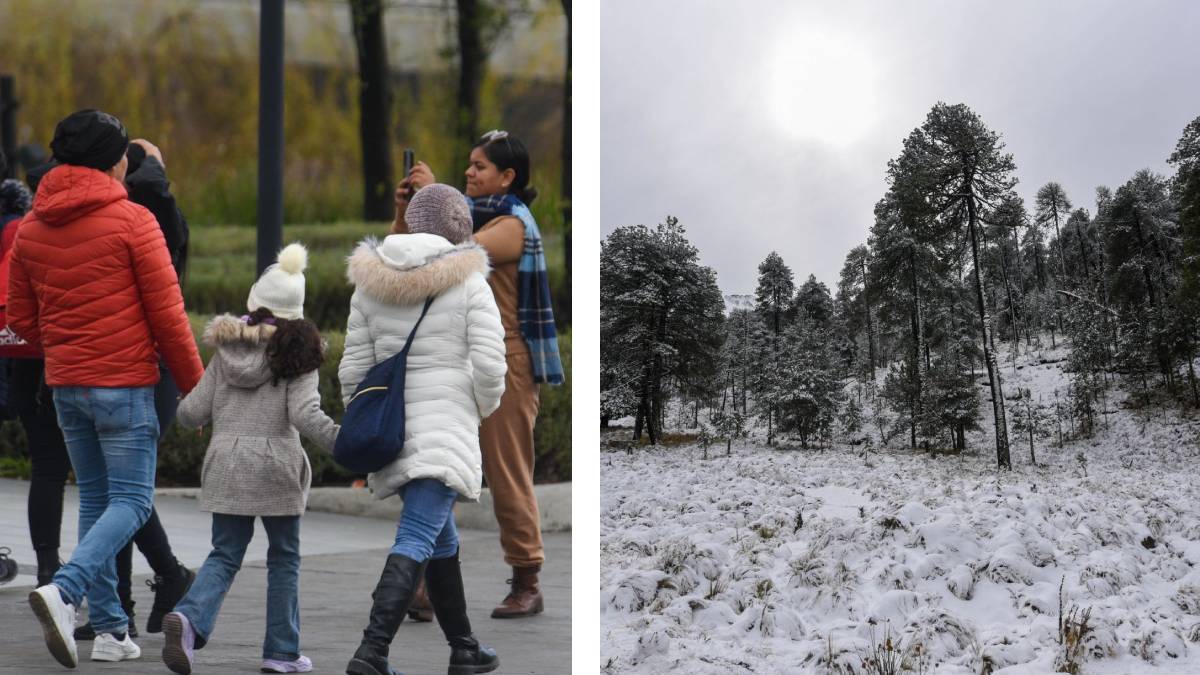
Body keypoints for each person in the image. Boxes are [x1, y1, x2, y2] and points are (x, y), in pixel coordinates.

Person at [8, 109, 204, 667]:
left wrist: (69, 343)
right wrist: (196, 386)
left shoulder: (31, 226)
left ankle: (114, 632)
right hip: (124, 383)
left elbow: (21, 315)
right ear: (112, 160)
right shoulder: (133, 221)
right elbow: (169, 316)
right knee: (134, 500)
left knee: (96, 498)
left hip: (67, 384)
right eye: (123, 154)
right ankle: (65, 591)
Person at [393, 130, 564, 618]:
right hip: (455, 354)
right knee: (440, 469)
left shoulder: (513, 225)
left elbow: (455, 255)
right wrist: (408, 210)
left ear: (508, 177)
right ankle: (426, 585)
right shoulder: (477, 218)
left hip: (506, 360)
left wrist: (433, 197)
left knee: (507, 473)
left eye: (480, 167)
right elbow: (407, 256)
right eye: (468, 165)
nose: (470, 173)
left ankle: (527, 579)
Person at [340, 183, 506, 675]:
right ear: (460, 228)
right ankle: (372, 652)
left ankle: (465, 648)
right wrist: (478, 407)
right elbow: (492, 365)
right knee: (417, 535)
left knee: (442, 539)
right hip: (446, 421)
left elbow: (353, 368)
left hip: (391, 425)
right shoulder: (470, 280)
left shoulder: (370, 280)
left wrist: (366, 415)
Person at [161, 243, 337, 675]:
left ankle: (189, 618)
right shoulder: (300, 354)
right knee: (284, 558)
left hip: (226, 462)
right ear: (295, 311)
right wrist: (344, 443)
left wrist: (191, 407)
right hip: (277, 462)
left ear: (253, 301)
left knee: (224, 553)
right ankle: (281, 651)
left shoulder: (226, 350)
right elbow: (304, 415)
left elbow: (190, 413)